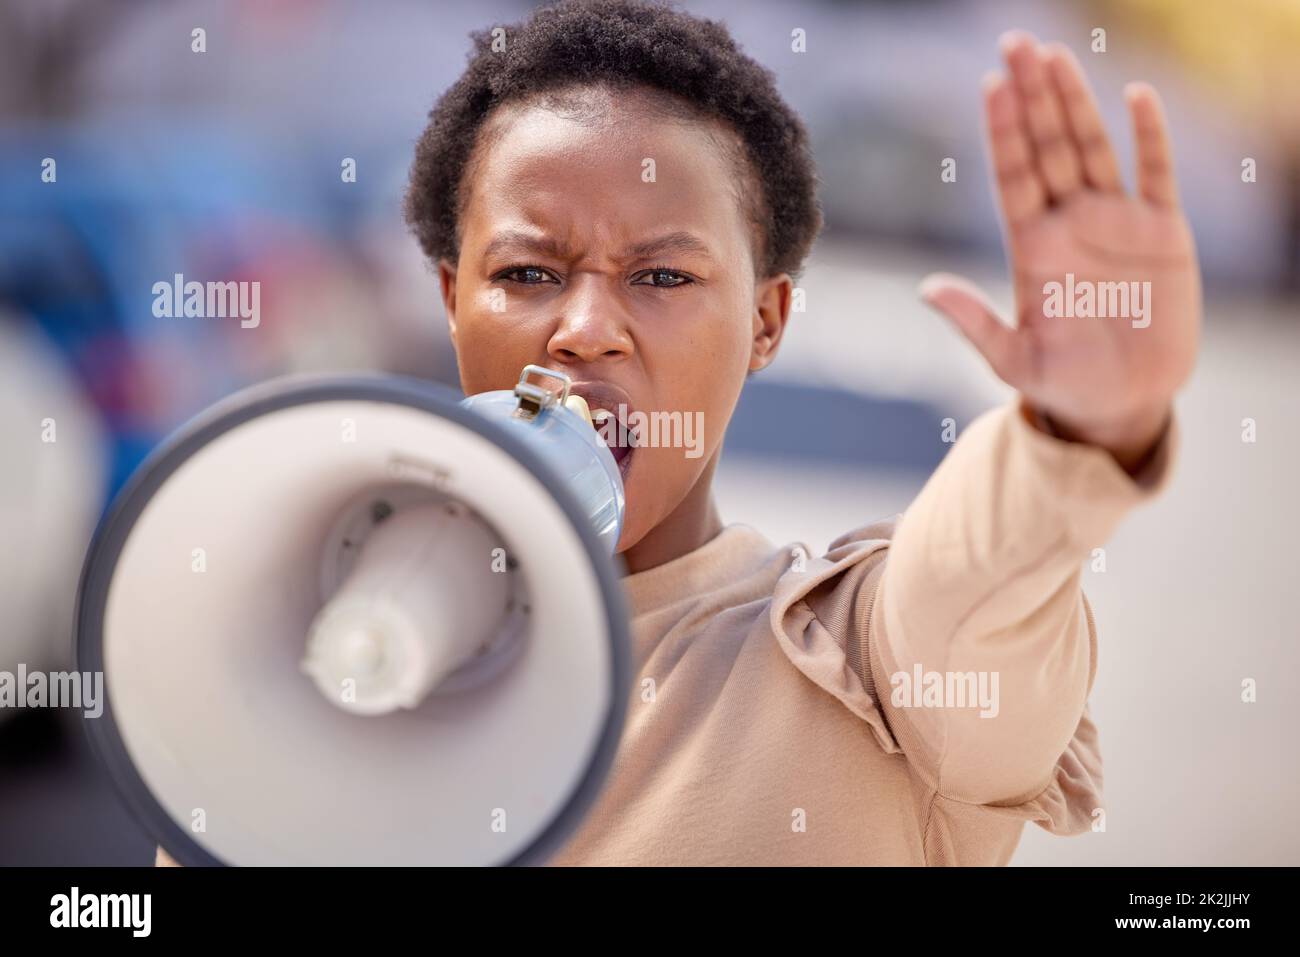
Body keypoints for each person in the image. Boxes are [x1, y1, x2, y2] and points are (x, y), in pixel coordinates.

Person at [159, 0, 1197, 866]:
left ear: (765, 323)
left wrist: (1071, 434)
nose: (583, 331)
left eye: (661, 277)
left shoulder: (862, 675)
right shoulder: (292, 654)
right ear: (449, 296)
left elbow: (983, 585)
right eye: (526, 274)